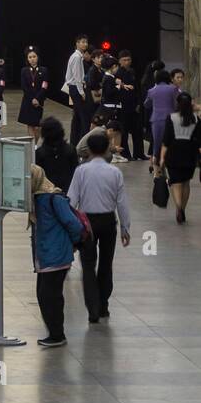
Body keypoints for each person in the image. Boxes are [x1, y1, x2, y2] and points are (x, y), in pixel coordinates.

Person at [68, 131, 130, 324]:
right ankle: (103, 304)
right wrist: (125, 227)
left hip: (87, 223)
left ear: (89, 150)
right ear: (105, 149)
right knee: (106, 263)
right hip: (108, 221)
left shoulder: (81, 171)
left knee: (87, 265)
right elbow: (122, 203)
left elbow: (71, 200)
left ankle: (92, 308)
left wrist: (70, 227)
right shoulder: (115, 172)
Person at [29, 163, 86, 348]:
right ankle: (54, 332)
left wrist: (73, 244)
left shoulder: (53, 198)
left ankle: (57, 334)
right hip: (46, 256)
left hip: (56, 255)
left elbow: (74, 224)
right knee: (44, 294)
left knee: (49, 295)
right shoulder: (37, 198)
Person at [159, 91, 198, 223]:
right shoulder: (196, 119)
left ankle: (178, 207)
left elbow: (166, 140)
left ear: (178, 104)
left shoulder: (171, 117)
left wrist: (162, 158)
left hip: (174, 152)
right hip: (190, 153)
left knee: (176, 183)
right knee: (186, 182)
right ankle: (183, 209)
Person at [115, 51, 146, 161]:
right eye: (124, 60)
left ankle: (139, 153)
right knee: (124, 132)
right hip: (123, 106)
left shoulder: (132, 72)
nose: (127, 62)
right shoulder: (118, 73)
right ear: (119, 61)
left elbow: (137, 88)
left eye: (129, 60)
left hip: (134, 105)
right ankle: (125, 154)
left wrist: (139, 103)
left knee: (138, 130)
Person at [146, 68, 179, 164]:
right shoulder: (173, 89)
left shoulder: (151, 90)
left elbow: (146, 104)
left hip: (156, 119)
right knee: (170, 142)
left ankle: (156, 168)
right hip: (171, 119)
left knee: (157, 144)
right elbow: (176, 104)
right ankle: (168, 164)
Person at [64, 33, 92, 145]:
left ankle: (74, 143)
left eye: (86, 42)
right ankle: (82, 145)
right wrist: (82, 92)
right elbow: (77, 77)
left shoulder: (78, 56)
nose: (85, 44)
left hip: (75, 88)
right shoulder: (76, 57)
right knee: (84, 119)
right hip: (76, 89)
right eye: (82, 42)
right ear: (77, 43)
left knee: (77, 118)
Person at [19, 48, 49, 143]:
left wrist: (37, 98)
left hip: (39, 100)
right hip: (28, 100)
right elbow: (24, 86)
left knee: (37, 125)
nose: (32, 59)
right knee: (30, 124)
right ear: (27, 59)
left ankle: (36, 142)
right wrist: (32, 98)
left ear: (38, 57)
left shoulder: (43, 70)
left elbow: (44, 86)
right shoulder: (24, 70)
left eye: (34, 56)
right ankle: (32, 145)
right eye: (30, 57)